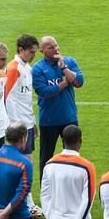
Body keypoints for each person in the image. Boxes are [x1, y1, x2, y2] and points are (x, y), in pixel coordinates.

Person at [33, 36, 85, 182]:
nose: (56, 49)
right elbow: (43, 92)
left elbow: (79, 82)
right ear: (42, 51)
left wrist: (64, 68)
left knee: (73, 156)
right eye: (51, 47)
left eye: (56, 45)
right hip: (49, 121)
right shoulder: (37, 69)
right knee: (46, 159)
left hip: (69, 119)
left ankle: (70, 184)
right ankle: (46, 192)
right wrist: (63, 84)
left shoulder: (69, 61)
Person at [41, 125, 97, 219]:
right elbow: (87, 201)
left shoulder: (50, 164)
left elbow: (45, 197)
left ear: (62, 141)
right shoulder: (86, 167)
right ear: (80, 141)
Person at [6, 34, 42, 216]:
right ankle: (27, 203)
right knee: (25, 163)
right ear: (20, 50)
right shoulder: (13, 69)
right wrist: (16, 125)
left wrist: (32, 122)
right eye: (31, 52)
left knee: (27, 162)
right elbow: (9, 98)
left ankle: (26, 202)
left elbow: (26, 100)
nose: (34, 55)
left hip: (26, 123)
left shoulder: (26, 68)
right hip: (19, 125)